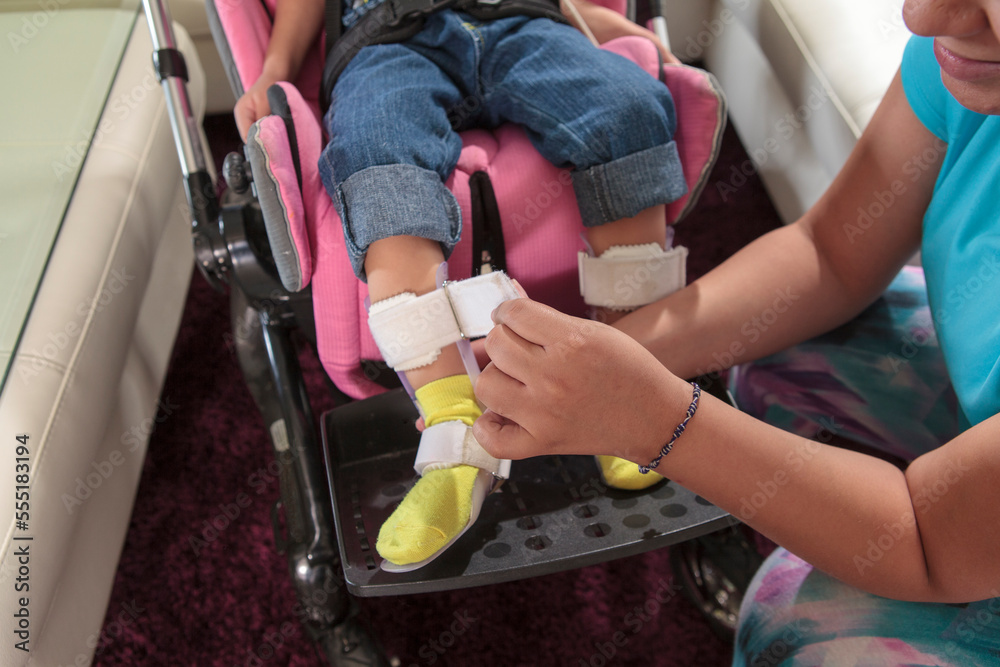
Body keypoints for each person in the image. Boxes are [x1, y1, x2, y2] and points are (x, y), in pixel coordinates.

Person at [473, 0, 1000, 662]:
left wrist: (655, 420)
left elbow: (924, 540)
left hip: (936, 535)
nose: (921, 16)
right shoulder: (968, 54)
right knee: (775, 358)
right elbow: (830, 253)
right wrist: (605, 358)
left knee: (787, 625)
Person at [235, 0, 692, 568]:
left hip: (521, 18)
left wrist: (619, 31)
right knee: (378, 161)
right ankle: (456, 429)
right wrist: (275, 67)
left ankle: (621, 378)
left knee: (627, 108)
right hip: (389, 39)